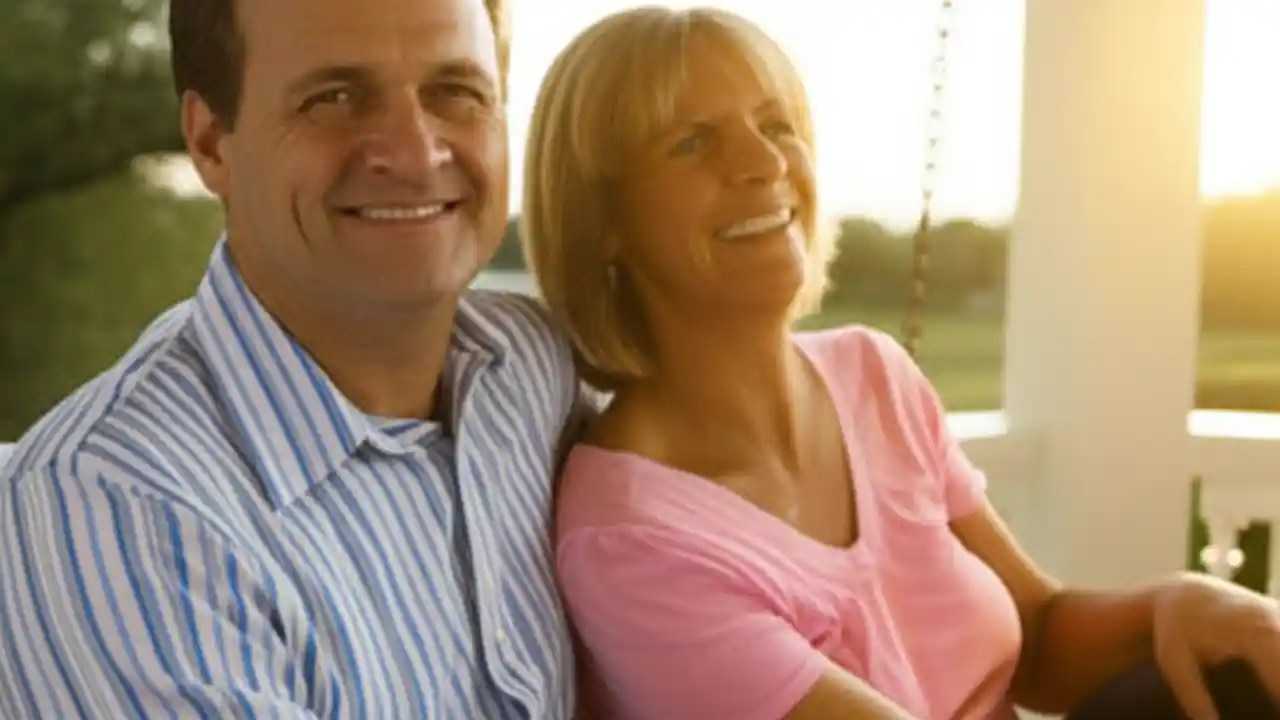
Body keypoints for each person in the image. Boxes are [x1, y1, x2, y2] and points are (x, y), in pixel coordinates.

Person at [522, 6, 1280, 720]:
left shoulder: (873, 377)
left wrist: (1179, 603)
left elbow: (1041, 636)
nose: (763, 161)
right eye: (692, 142)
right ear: (604, 221)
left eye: (776, 125)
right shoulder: (631, 541)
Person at [0, 0, 586, 717]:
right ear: (211, 144)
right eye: (333, 98)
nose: (414, 153)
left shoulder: (542, 369)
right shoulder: (117, 513)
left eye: (455, 92)